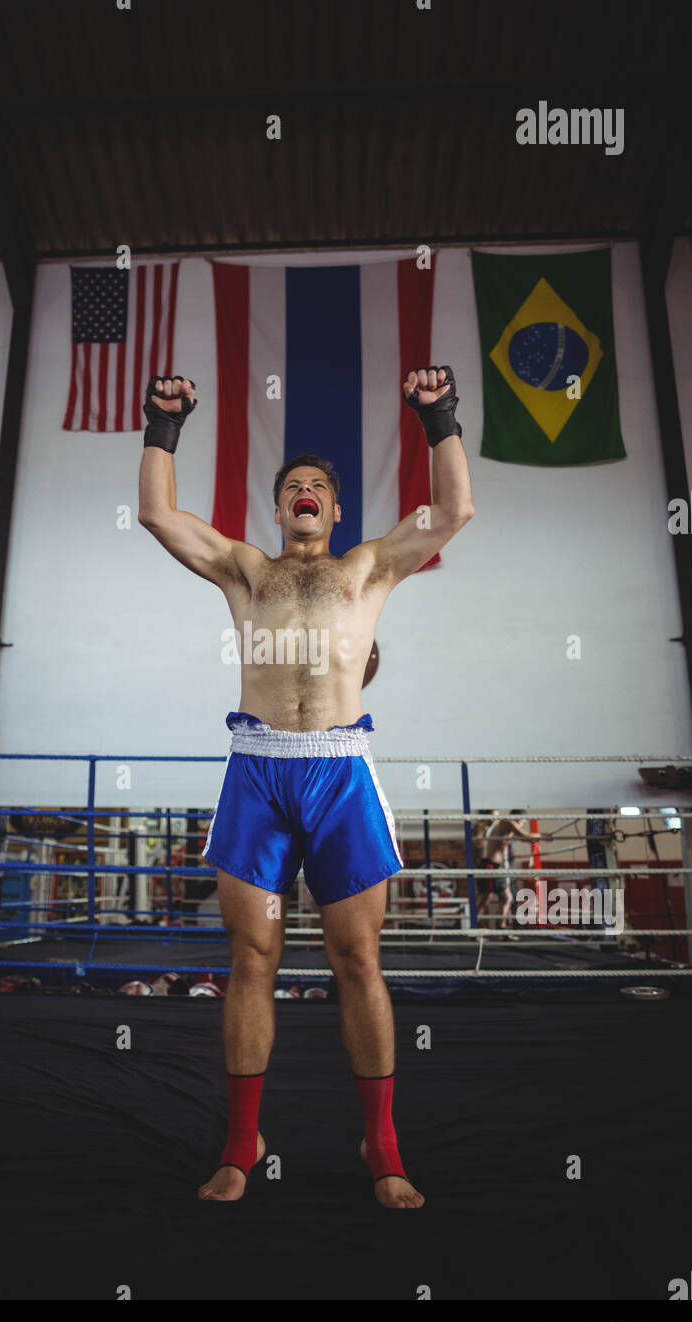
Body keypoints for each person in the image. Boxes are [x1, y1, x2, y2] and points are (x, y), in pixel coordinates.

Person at [138, 367, 473, 1208]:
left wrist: (437, 415)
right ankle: (242, 1145)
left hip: (339, 772)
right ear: (278, 509)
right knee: (251, 957)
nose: (306, 493)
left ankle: (382, 1144)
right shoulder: (247, 572)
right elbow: (157, 514)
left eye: (319, 485)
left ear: (334, 507)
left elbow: (453, 511)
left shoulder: (366, 569)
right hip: (257, 772)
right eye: (293, 486)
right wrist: (162, 424)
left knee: (357, 957)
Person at [474, 811, 543, 931]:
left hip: (491, 865)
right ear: (518, 818)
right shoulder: (508, 822)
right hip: (491, 866)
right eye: (522, 821)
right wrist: (544, 836)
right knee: (490, 899)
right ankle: (484, 927)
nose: (521, 824)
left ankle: (497, 928)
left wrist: (536, 839)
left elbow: (523, 838)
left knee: (499, 898)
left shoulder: (505, 827)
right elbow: (526, 835)